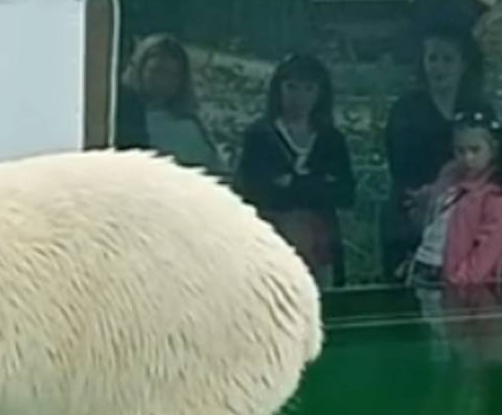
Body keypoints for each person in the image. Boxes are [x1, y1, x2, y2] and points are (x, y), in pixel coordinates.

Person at [235, 54, 355, 288]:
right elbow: (250, 189)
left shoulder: (331, 139)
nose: (299, 97)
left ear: (320, 93)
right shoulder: (260, 136)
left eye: (308, 89)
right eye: (291, 87)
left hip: (323, 246)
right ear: (278, 89)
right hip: (273, 240)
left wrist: (293, 184)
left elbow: (346, 193)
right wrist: (317, 184)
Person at [383, 27, 484, 279]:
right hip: (410, 213)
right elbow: (398, 162)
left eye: (448, 59)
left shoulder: (478, 108)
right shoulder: (406, 109)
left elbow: (490, 163)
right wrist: (427, 195)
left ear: (464, 64)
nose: (438, 67)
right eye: (432, 58)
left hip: (468, 213)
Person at [410, 109, 502, 311]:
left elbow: (484, 256)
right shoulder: (449, 175)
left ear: (493, 149)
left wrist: (457, 285)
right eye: (460, 150)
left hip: (454, 286)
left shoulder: (494, 197)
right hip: (423, 271)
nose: (467, 158)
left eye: (475, 150)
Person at [124, 33, 223, 172]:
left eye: (173, 75)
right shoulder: (121, 119)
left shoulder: (188, 128)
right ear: (140, 69)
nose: (163, 81)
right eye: (157, 71)